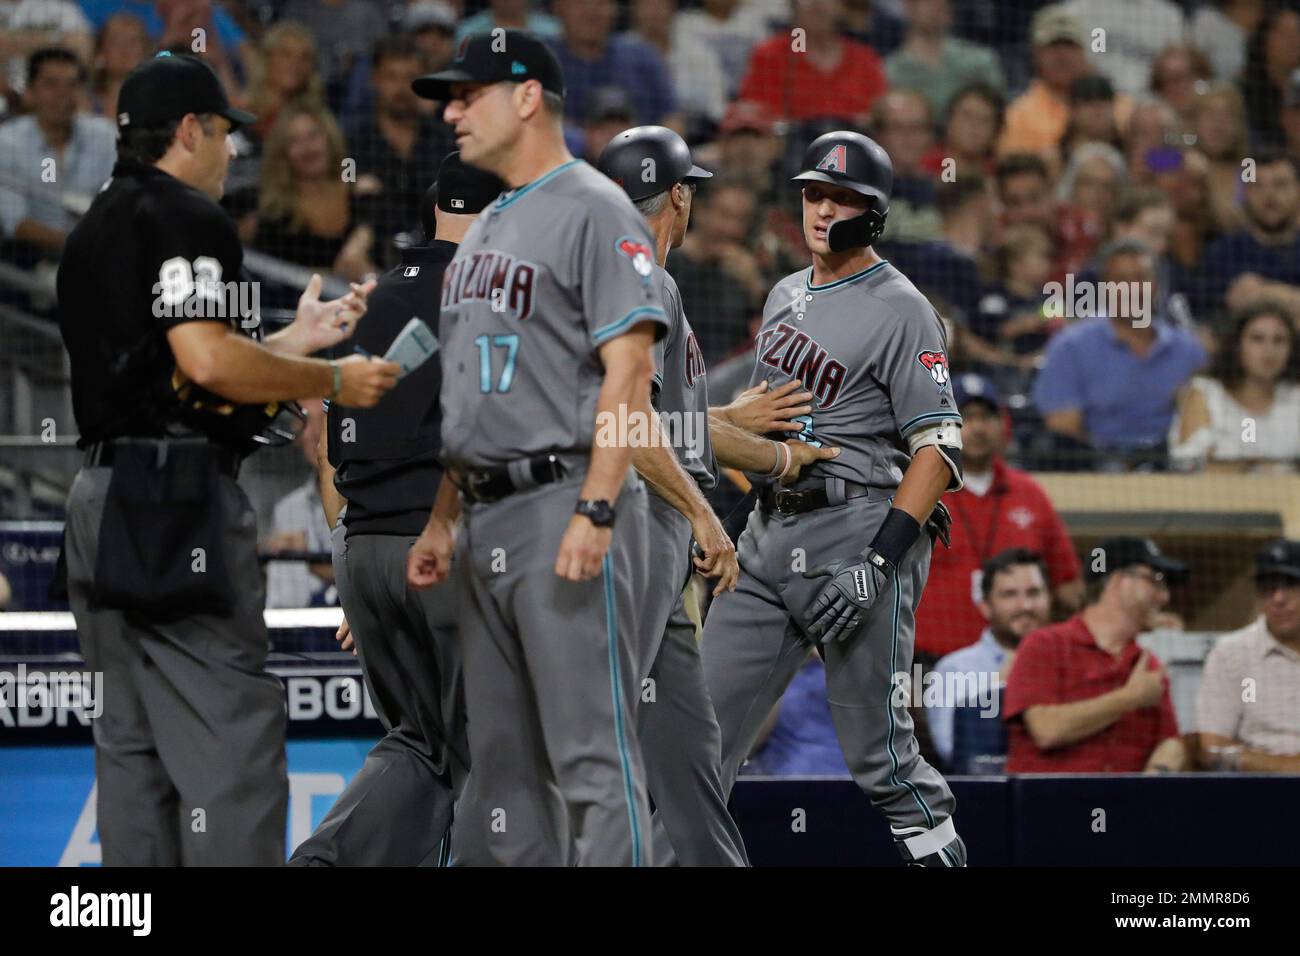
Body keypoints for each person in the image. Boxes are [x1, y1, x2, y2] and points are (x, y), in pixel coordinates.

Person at [55, 52, 398, 866]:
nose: (233, 151)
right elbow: (208, 362)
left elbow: (174, 376)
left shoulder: (93, 224)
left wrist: (291, 342)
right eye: (222, 133)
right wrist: (334, 376)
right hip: (176, 507)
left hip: (101, 496)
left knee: (133, 753)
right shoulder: (187, 215)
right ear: (186, 131)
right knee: (230, 747)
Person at [407, 31, 666, 867]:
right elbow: (470, 395)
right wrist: (444, 518)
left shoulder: (595, 205)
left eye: (466, 93)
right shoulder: (486, 224)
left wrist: (596, 506)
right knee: (506, 770)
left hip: (563, 504)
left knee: (592, 759)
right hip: (482, 516)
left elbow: (631, 371)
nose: (450, 111)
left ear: (526, 97)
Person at [682, 129, 970, 867]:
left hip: (857, 530)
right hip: (772, 533)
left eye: (840, 196)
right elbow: (766, 421)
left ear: (872, 213)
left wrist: (880, 560)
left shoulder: (904, 308)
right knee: (694, 746)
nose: (821, 207)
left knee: (883, 763)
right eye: (813, 191)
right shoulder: (784, 294)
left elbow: (939, 448)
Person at [598, 124, 840, 865]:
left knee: (690, 752)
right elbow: (629, 426)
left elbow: (658, 417)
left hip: (656, 527)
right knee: (604, 742)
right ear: (678, 194)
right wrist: (768, 462)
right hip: (643, 522)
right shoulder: (641, 277)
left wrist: (728, 426)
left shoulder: (624, 274)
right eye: (691, 187)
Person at [290, 153, 505, 866]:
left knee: (422, 740)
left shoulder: (370, 299)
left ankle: (326, 863)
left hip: (362, 551)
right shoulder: (493, 295)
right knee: (492, 750)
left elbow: (323, 442)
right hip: (442, 546)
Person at [915, 375, 1082, 659]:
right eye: (965, 417)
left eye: (987, 416)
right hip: (928, 661)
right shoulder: (919, 489)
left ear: (1003, 423)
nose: (978, 427)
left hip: (1017, 662)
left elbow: (1067, 585)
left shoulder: (1031, 495)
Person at [1003, 536, 1189, 774]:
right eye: (1155, 581)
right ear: (1118, 582)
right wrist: (1129, 698)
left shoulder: (1147, 663)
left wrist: (1156, 775)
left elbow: (1170, 741)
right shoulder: (1045, 645)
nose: (1164, 597)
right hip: (1049, 802)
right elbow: (1046, 729)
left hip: (1126, 805)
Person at [1033, 238, 1208, 469]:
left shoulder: (1188, 350)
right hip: (1096, 471)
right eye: (1120, 281)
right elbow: (1063, 431)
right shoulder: (1070, 347)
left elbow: (1202, 423)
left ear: (1156, 285)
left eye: (1139, 279)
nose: (1129, 290)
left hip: (1174, 469)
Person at [927, 548, 1053, 773]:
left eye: (1034, 593)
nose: (1025, 606)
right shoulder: (954, 668)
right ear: (986, 607)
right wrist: (1000, 686)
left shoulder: (1069, 661)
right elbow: (952, 750)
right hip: (986, 796)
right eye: (1009, 594)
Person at [346, 34, 454, 268]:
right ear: (375, 79)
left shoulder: (446, 143)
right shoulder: (351, 146)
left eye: (410, 77)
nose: (402, 88)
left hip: (439, 267)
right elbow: (344, 194)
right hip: (369, 271)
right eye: (391, 77)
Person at [0, 48, 116, 257]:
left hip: (104, 255)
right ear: (30, 92)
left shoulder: (104, 135)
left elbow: (120, 199)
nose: (63, 94)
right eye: (51, 84)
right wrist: (80, 246)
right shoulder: (7, 143)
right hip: (32, 260)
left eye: (71, 85)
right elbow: (15, 222)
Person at [1196, 539, 1300, 773]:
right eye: (1267, 588)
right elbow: (1212, 749)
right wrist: (1288, 767)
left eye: (1290, 584)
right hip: (1255, 791)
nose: (1278, 599)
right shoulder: (1232, 654)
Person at [249, 103, 374, 282]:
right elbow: (270, 280)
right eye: (294, 141)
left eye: (313, 135)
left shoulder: (360, 195)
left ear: (329, 138)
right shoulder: (275, 216)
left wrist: (364, 236)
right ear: (283, 154)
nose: (307, 147)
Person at [1170, 300, 1300, 472]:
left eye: (1279, 340)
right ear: (1237, 345)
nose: (1269, 350)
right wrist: (1252, 467)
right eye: (1257, 339)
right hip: (1213, 497)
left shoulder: (1296, 397)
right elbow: (1189, 463)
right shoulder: (1206, 393)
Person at [736, 0, 887, 127]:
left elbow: (880, 117)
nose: (817, 4)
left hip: (850, 151)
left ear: (842, 7)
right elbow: (752, 116)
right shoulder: (772, 54)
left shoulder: (864, 59)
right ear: (793, 6)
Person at [1198, 152, 1300, 325]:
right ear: (1244, 193)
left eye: (1280, 184)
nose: (1269, 195)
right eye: (1257, 185)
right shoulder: (1222, 253)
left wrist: (1264, 292)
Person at [546, 0, 680, 129]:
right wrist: (582, 141)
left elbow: (673, 117)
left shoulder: (644, 56)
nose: (591, 12)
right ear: (558, 7)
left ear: (615, 9)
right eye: (579, 3)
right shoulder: (540, 60)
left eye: (601, 3)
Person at [262, 399, 334, 608]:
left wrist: (315, 566)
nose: (314, 434)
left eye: (322, 420)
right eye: (305, 422)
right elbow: (281, 606)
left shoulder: (366, 503)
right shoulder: (287, 510)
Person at [998, 4, 1088, 167]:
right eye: (1053, 46)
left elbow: (1147, 155)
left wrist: (1151, 163)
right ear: (1035, 55)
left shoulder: (1113, 104)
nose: (1062, 55)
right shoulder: (1017, 115)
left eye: (1069, 45)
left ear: (1083, 54)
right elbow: (1011, 173)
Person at [885, 0, 1003, 118]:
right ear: (908, 7)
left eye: (944, 3)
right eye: (928, 2)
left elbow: (998, 108)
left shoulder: (980, 61)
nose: (937, 8)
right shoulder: (890, 70)